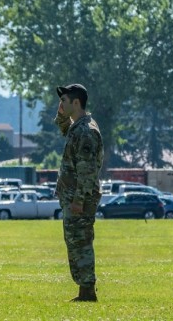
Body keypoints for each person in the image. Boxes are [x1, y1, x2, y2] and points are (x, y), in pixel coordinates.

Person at [53, 83, 103, 302]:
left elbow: (87, 171)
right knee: (75, 242)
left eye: (64, 100)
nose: (60, 104)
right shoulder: (78, 126)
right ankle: (84, 290)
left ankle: (87, 291)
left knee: (81, 243)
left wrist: (78, 200)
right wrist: (61, 116)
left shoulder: (86, 131)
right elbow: (64, 129)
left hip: (78, 198)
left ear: (76, 102)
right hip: (73, 196)